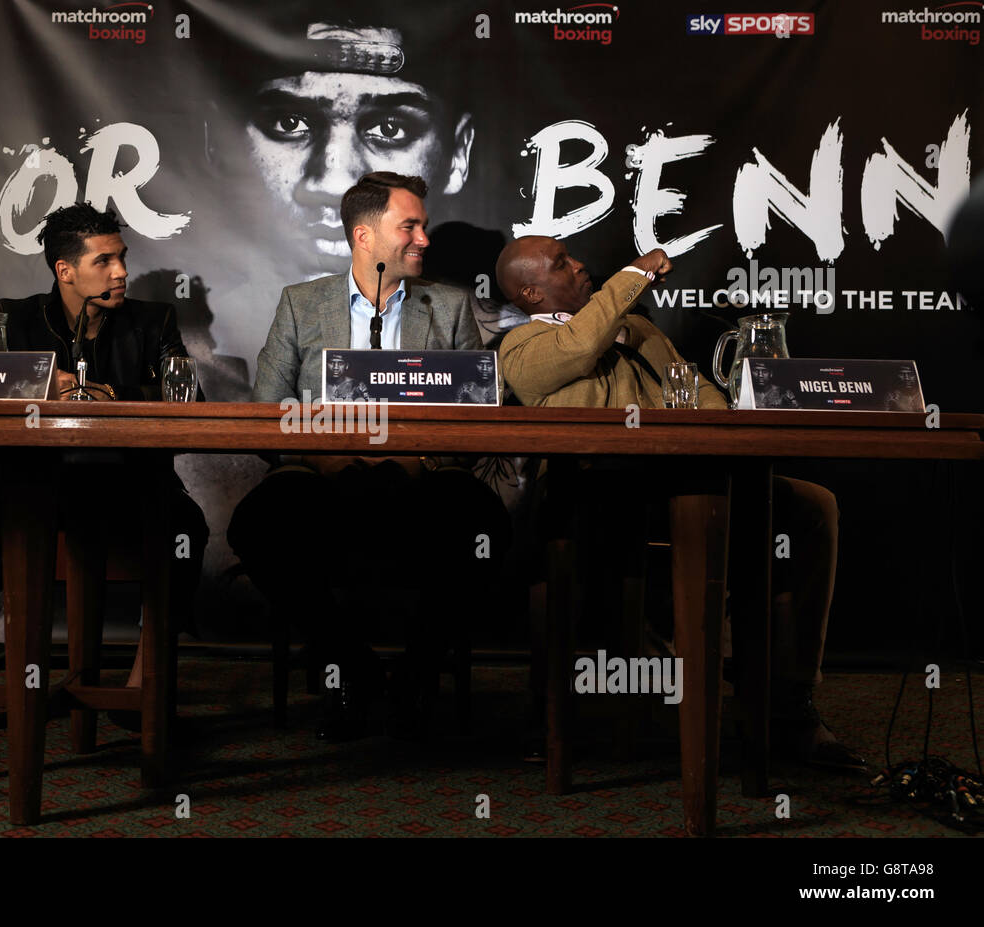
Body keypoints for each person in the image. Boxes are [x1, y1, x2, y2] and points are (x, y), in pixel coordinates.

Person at [496, 235, 865, 773]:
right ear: (529, 291)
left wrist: (734, 427)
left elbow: (693, 390)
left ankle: (788, 703)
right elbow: (578, 347)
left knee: (810, 505)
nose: (580, 265)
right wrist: (634, 275)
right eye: (561, 263)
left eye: (575, 255)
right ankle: (557, 709)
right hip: (597, 494)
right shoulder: (523, 346)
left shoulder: (639, 329)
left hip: (689, 478)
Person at [230, 171, 510, 742]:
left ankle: (415, 674)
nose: (424, 239)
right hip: (319, 483)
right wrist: (319, 457)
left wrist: (423, 458)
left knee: (482, 521)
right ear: (364, 236)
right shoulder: (300, 304)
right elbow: (266, 411)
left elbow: (479, 415)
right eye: (409, 226)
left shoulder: (451, 306)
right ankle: (351, 666)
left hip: (422, 486)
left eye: (425, 227)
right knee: (259, 523)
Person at [0, 204, 209, 739]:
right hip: (29, 491)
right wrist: (31, 386)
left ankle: (143, 686)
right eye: (105, 261)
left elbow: (190, 398)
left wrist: (113, 395)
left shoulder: (153, 321)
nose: (121, 271)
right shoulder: (15, 317)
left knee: (186, 528)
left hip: (124, 488)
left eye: (122, 258)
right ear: (64, 270)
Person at [202, 4, 476, 281]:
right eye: (288, 123)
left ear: (458, 155)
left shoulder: (472, 321)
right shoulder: (186, 321)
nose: (337, 184)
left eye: (389, 129)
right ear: (219, 142)